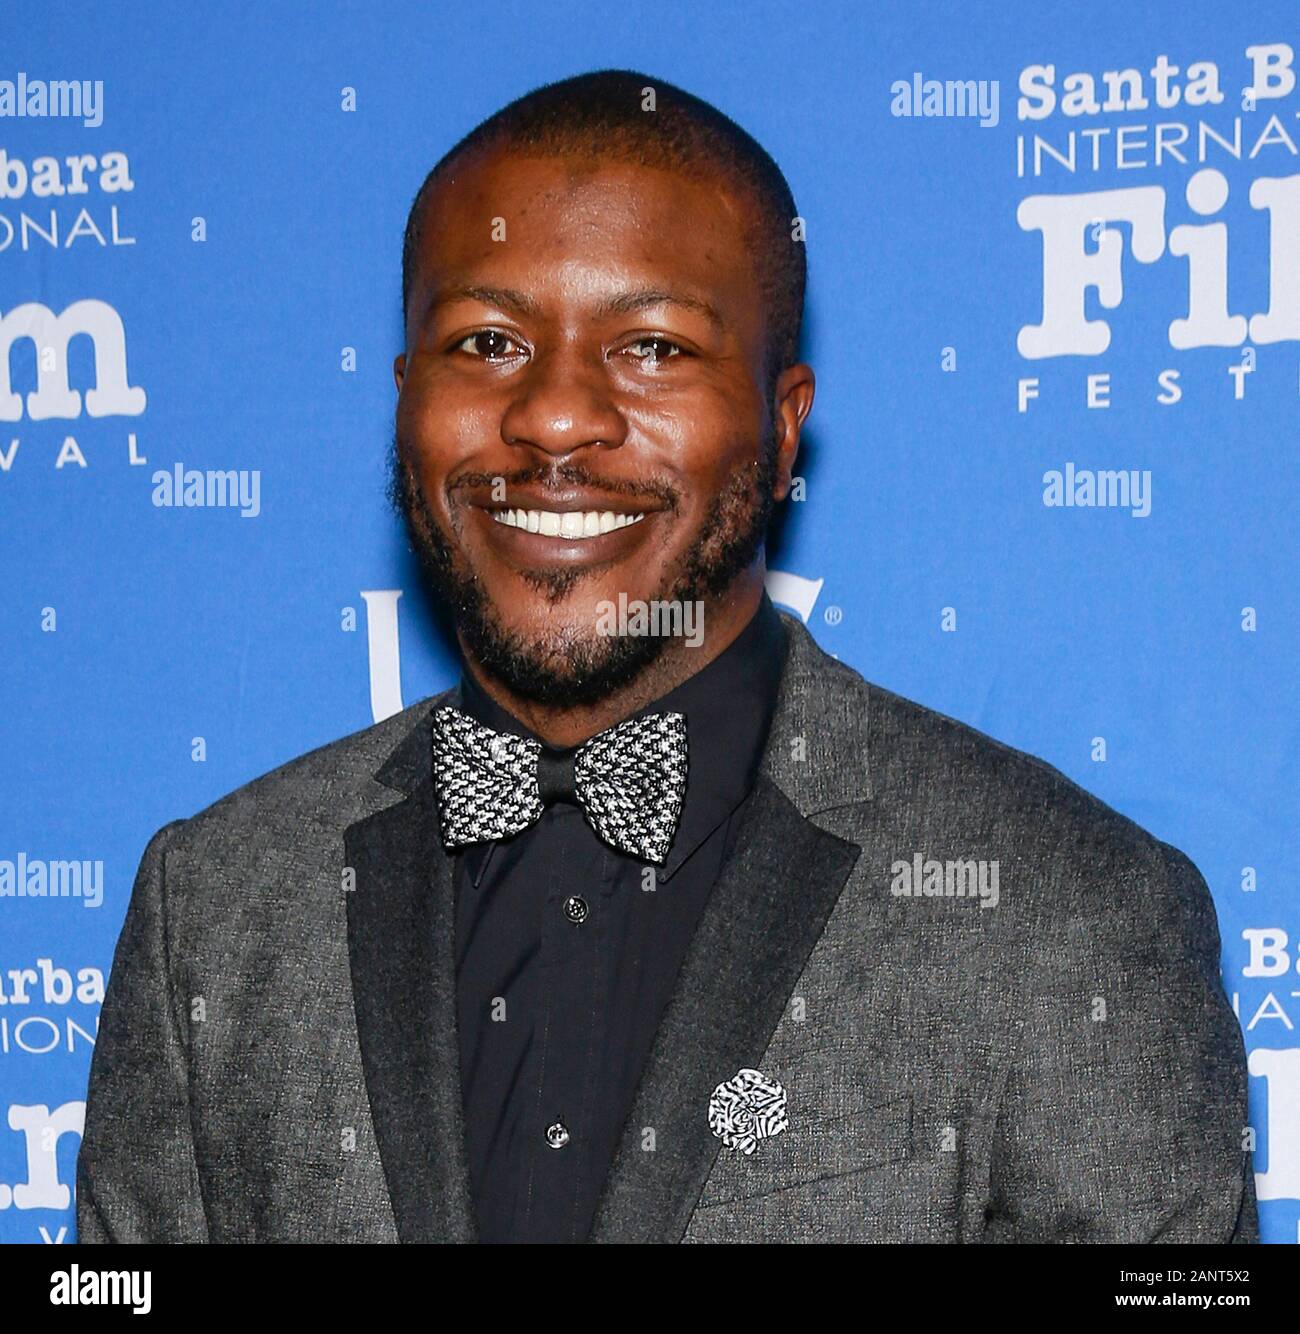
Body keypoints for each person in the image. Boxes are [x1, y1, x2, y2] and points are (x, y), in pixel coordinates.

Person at [76, 68, 1256, 1244]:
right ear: (403, 397)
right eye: (486, 340)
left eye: (649, 346)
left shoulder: (1063, 911)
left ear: (781, 419)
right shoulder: (219, 902)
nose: (551, 415)